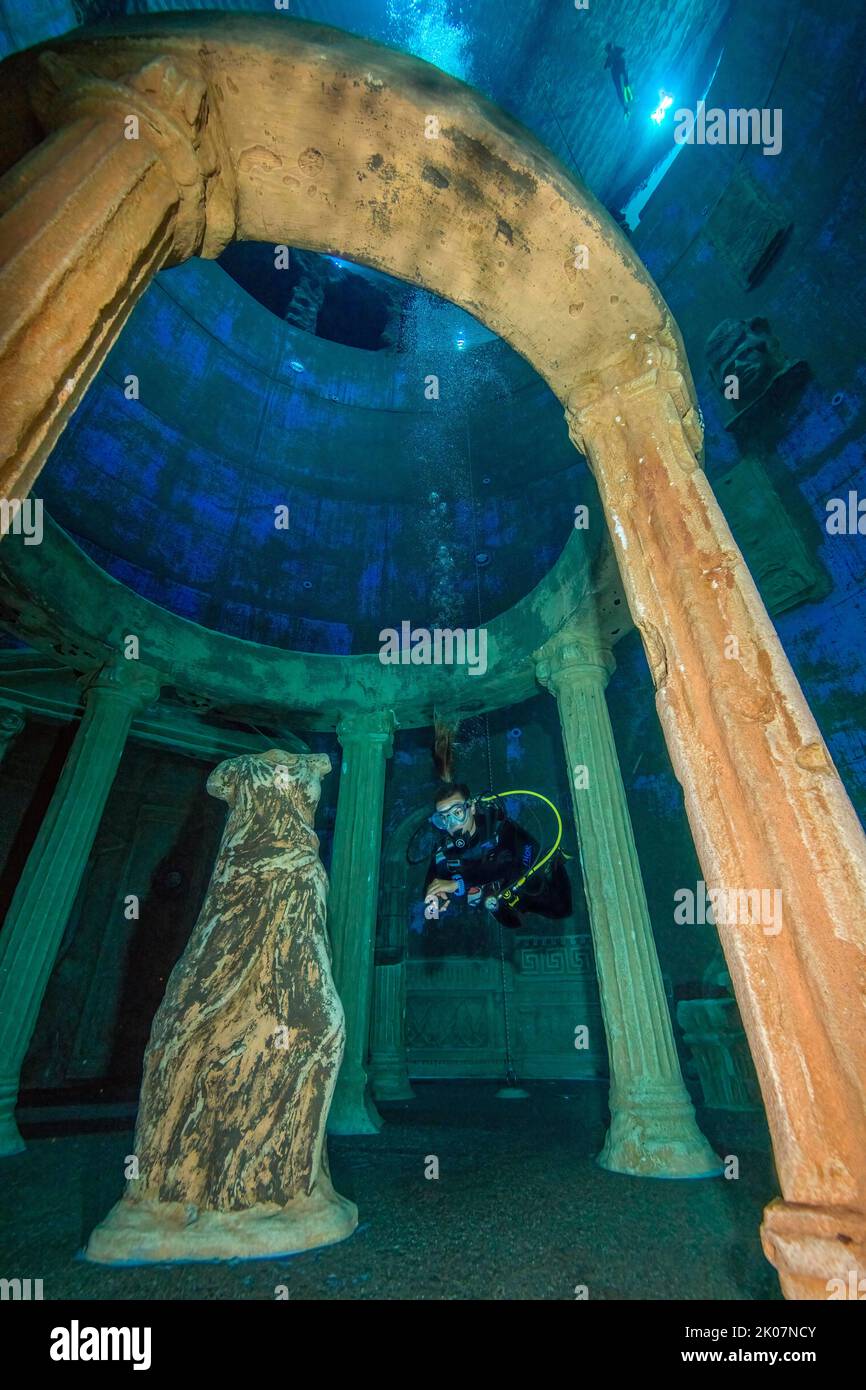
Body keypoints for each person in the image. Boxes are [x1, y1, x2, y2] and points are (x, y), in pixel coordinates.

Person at [423, 782, 572, 930]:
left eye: (457, 813)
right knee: (511, 923)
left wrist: (458, 884)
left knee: (560, 909)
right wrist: (434, 902)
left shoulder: (496, 825)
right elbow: (432, 886)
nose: (452, 823)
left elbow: (503, 865)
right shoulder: (443, 849)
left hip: (523, 869)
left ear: (472, 808)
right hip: (499, 896)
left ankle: (554, 863)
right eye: (444, 818)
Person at [604, 41, 634, 116]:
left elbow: (625, 51)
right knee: (618, 88)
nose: (610, 54)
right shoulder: (611, 56)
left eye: (610, 52)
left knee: (625, 83)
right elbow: (605, 67)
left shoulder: (618, 50)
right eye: (609, 53)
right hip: (616, 70)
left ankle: (626, 102)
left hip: (620, 67)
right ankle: (624, 107)